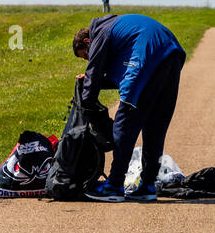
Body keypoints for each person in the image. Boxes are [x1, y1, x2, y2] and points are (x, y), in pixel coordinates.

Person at [72, 13, 185, 202]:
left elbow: (95, 68)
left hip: (148, 57)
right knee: (154, 127)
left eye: (85, 56)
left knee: (123, 126)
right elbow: (123, 73)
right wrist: (95, 82)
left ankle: (114, 186)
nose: (87, 60)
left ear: (87, 41)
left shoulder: (99, 31)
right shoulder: (118, 29)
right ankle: (148, 186)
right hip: (171, 55)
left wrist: (86, 102)